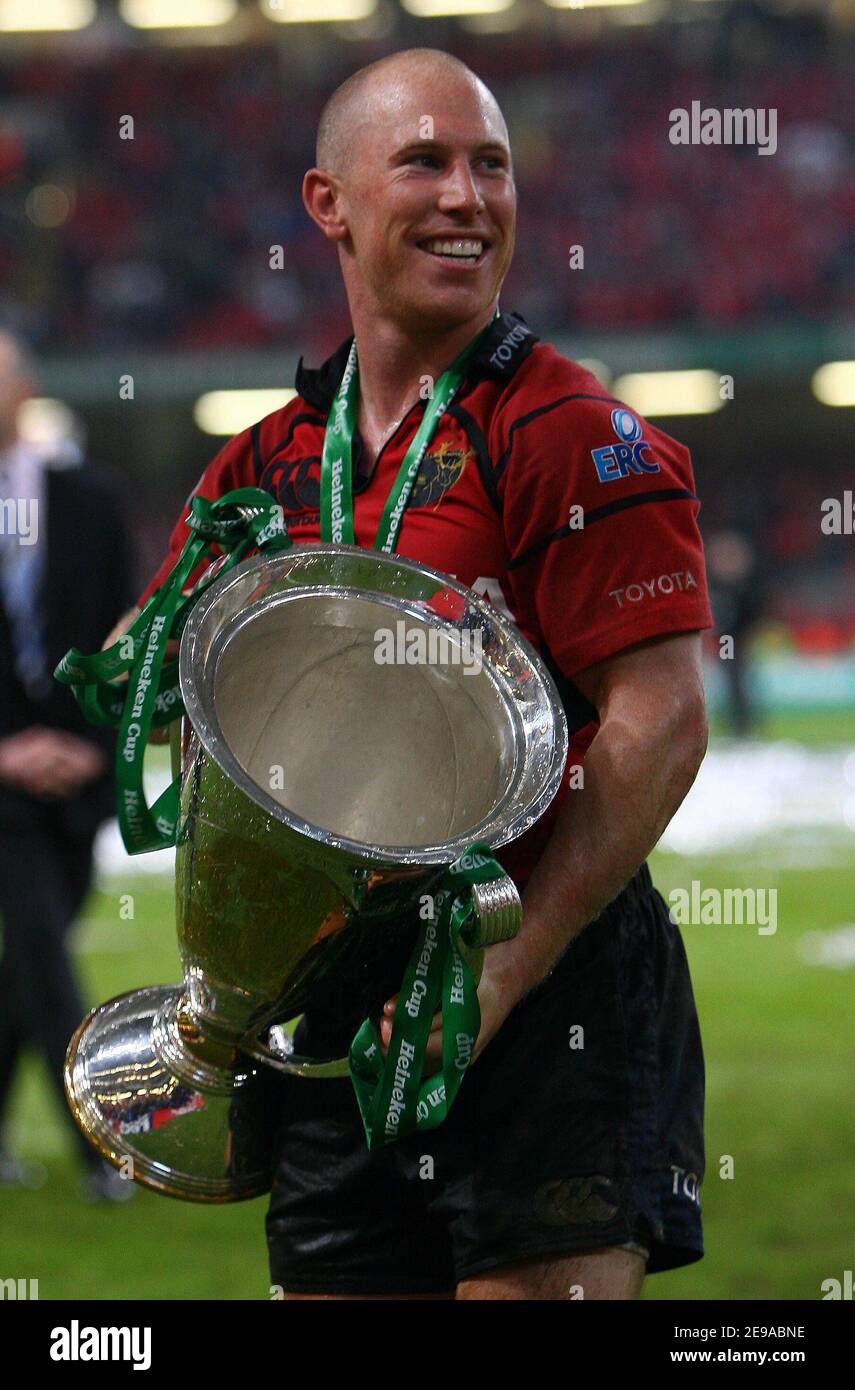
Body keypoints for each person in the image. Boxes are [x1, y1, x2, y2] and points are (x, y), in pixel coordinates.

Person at [106, 48, 712, 1298]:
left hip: (548, 994)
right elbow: (160, 676)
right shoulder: (261, 465)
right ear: (328, 203)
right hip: (332, 1008)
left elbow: (659, 723)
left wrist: (498, 974)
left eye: (490, 166)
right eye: (424, 162)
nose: (466, 197)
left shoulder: (574, 438)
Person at [0, 331, 135, 1201]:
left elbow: (128, 628)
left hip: (78, 775)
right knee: (44, 947)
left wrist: (88, 742)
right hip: (2, 782)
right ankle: (100, 1147)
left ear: (27, 385)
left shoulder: (89, 500)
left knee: (27, 960)